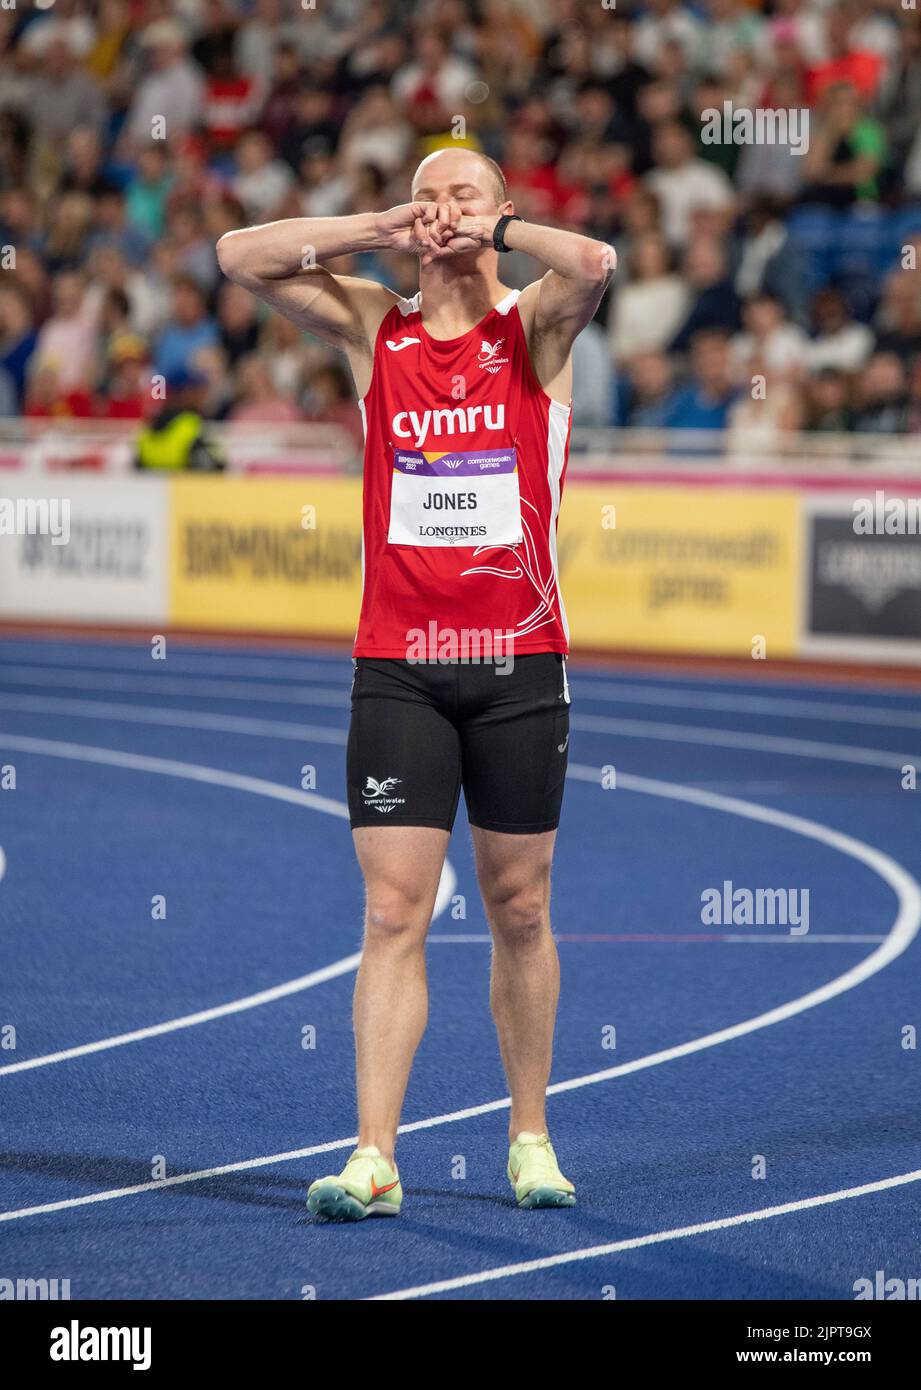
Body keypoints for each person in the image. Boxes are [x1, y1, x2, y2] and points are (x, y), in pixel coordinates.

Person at [217, 145, 614, 1220]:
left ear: (497, 213)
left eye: (463, 195)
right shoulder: (372, 326)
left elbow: (596, 257)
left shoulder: (532, 325)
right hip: (399, 666)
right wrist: (378, 228)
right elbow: (236, 254)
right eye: (430, 194)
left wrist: (501, 233)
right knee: (394, 910)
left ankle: (529, 1136)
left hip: (519, 661)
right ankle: (375, 1156)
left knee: (520, 908)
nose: (443, 211)